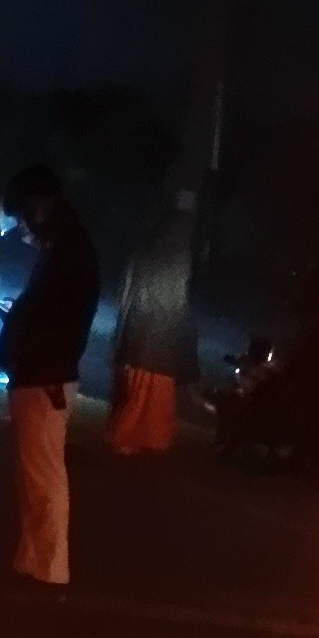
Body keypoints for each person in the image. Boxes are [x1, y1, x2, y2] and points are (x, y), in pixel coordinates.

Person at [0, 166, 98, 589]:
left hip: (46, 376)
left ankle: (51, 572)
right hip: (39, 373)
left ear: (38, 208)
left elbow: (58, 321)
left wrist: (22, 326)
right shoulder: (63, 249)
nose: (22, 231)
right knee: (34, 476)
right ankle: (33, 560)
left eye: (22, 220)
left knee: (44, 476)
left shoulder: (68, 254)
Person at [110, 186, 198, 458]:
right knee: (150, 395)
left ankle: (135, 438)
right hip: (157, 341)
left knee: (144, 395)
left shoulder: (149, 256)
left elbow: (127, 298)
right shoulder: (175, 259)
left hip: (143, 340)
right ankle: (145, 438)